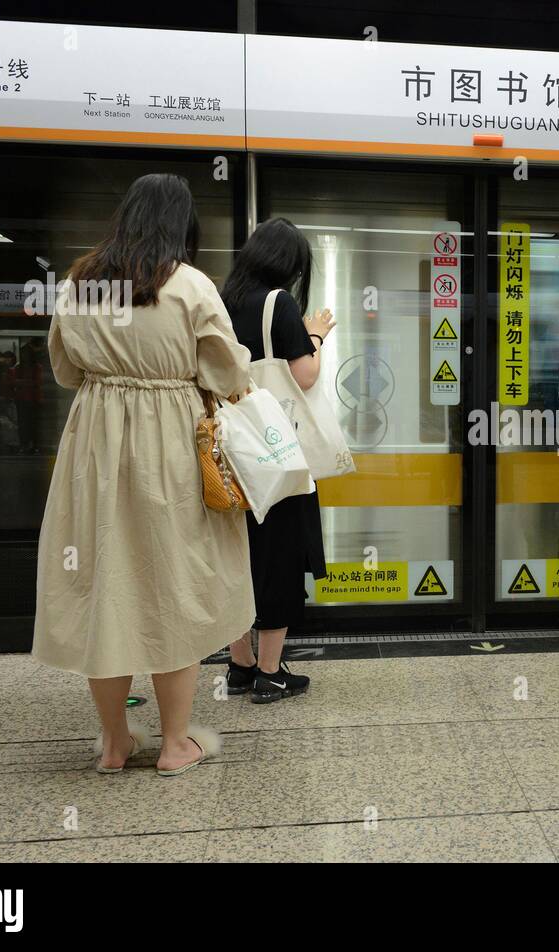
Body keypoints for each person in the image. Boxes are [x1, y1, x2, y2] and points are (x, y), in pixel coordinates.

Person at [33, 173, 254, 776]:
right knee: (171, 584)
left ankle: (113, 742)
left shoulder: (81, 283)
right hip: (170, 445)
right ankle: (177, 743)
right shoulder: (189, 285)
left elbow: (64, 370)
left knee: (104, 586)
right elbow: (228, 374)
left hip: (94, 446)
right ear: (181, 225)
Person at [220, 218, 335, 703]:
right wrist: (316, 336)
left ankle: (240, 665)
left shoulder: (222, 304)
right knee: (280, 556)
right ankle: (271, 672)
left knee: (236, 557)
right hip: (276, 453)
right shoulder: (279, 304)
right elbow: (304, 377)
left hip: (230, 454)